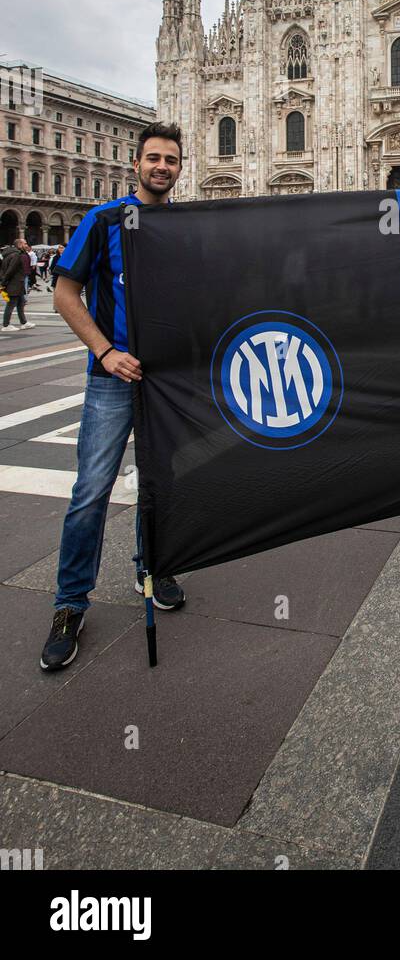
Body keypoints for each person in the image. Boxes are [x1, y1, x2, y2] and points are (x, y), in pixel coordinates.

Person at [40, 123, 186, 673]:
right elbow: (63, 292)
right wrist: (104, 352)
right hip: (111, 379)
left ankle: (152, 567)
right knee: (91, 493)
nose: (161, 167)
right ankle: (69, 605)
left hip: (165, 383)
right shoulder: (103, 222)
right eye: (153, 158)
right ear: (136, 164)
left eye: (170, 160)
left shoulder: (182, 226)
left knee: (162, 486)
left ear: (179, 167)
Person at [1, 238, 36, 331]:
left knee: (21, 303)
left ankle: (24, 322)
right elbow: (11, 270)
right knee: (11, 304)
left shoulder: (9, 254)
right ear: (19, 245)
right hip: (14, 283)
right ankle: (6, 325)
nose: (27, 245)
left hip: (18, 283)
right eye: (25, 243)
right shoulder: (16, 255)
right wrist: (3, 282)